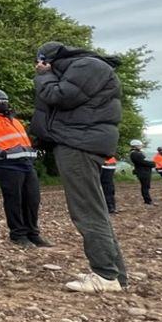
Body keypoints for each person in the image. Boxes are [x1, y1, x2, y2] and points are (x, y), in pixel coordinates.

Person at [30, 41, 126, 293]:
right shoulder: (86, 66)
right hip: (79, 141)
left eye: (41, 61)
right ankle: (115, 275)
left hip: (78, 144)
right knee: (94, 208)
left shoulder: (86, 66)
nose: (38, 66)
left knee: (86, 211)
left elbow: (58, 96)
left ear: (47, 59)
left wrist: (44, 75)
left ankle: (105, 275)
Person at [0, 89, 50, 248]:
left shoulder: (14, 120)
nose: (2, 103)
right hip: (6, 165)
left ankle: (32, 233)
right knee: (14, 200)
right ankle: (18, 234)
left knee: (32, 199)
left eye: (4, 100)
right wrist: (0, 153)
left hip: (26, 163)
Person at [129, 140, 154, 205]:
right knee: (145, 186)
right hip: (142, 172)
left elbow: (146, 160)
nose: (141, 146)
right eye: (139, 145)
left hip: (145, 171)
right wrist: (153, 164)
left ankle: (148, 200)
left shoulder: (139, 153)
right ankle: (147, 200)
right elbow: (142, 162)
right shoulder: (134, 154)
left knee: (146, 186)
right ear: (135, 146)